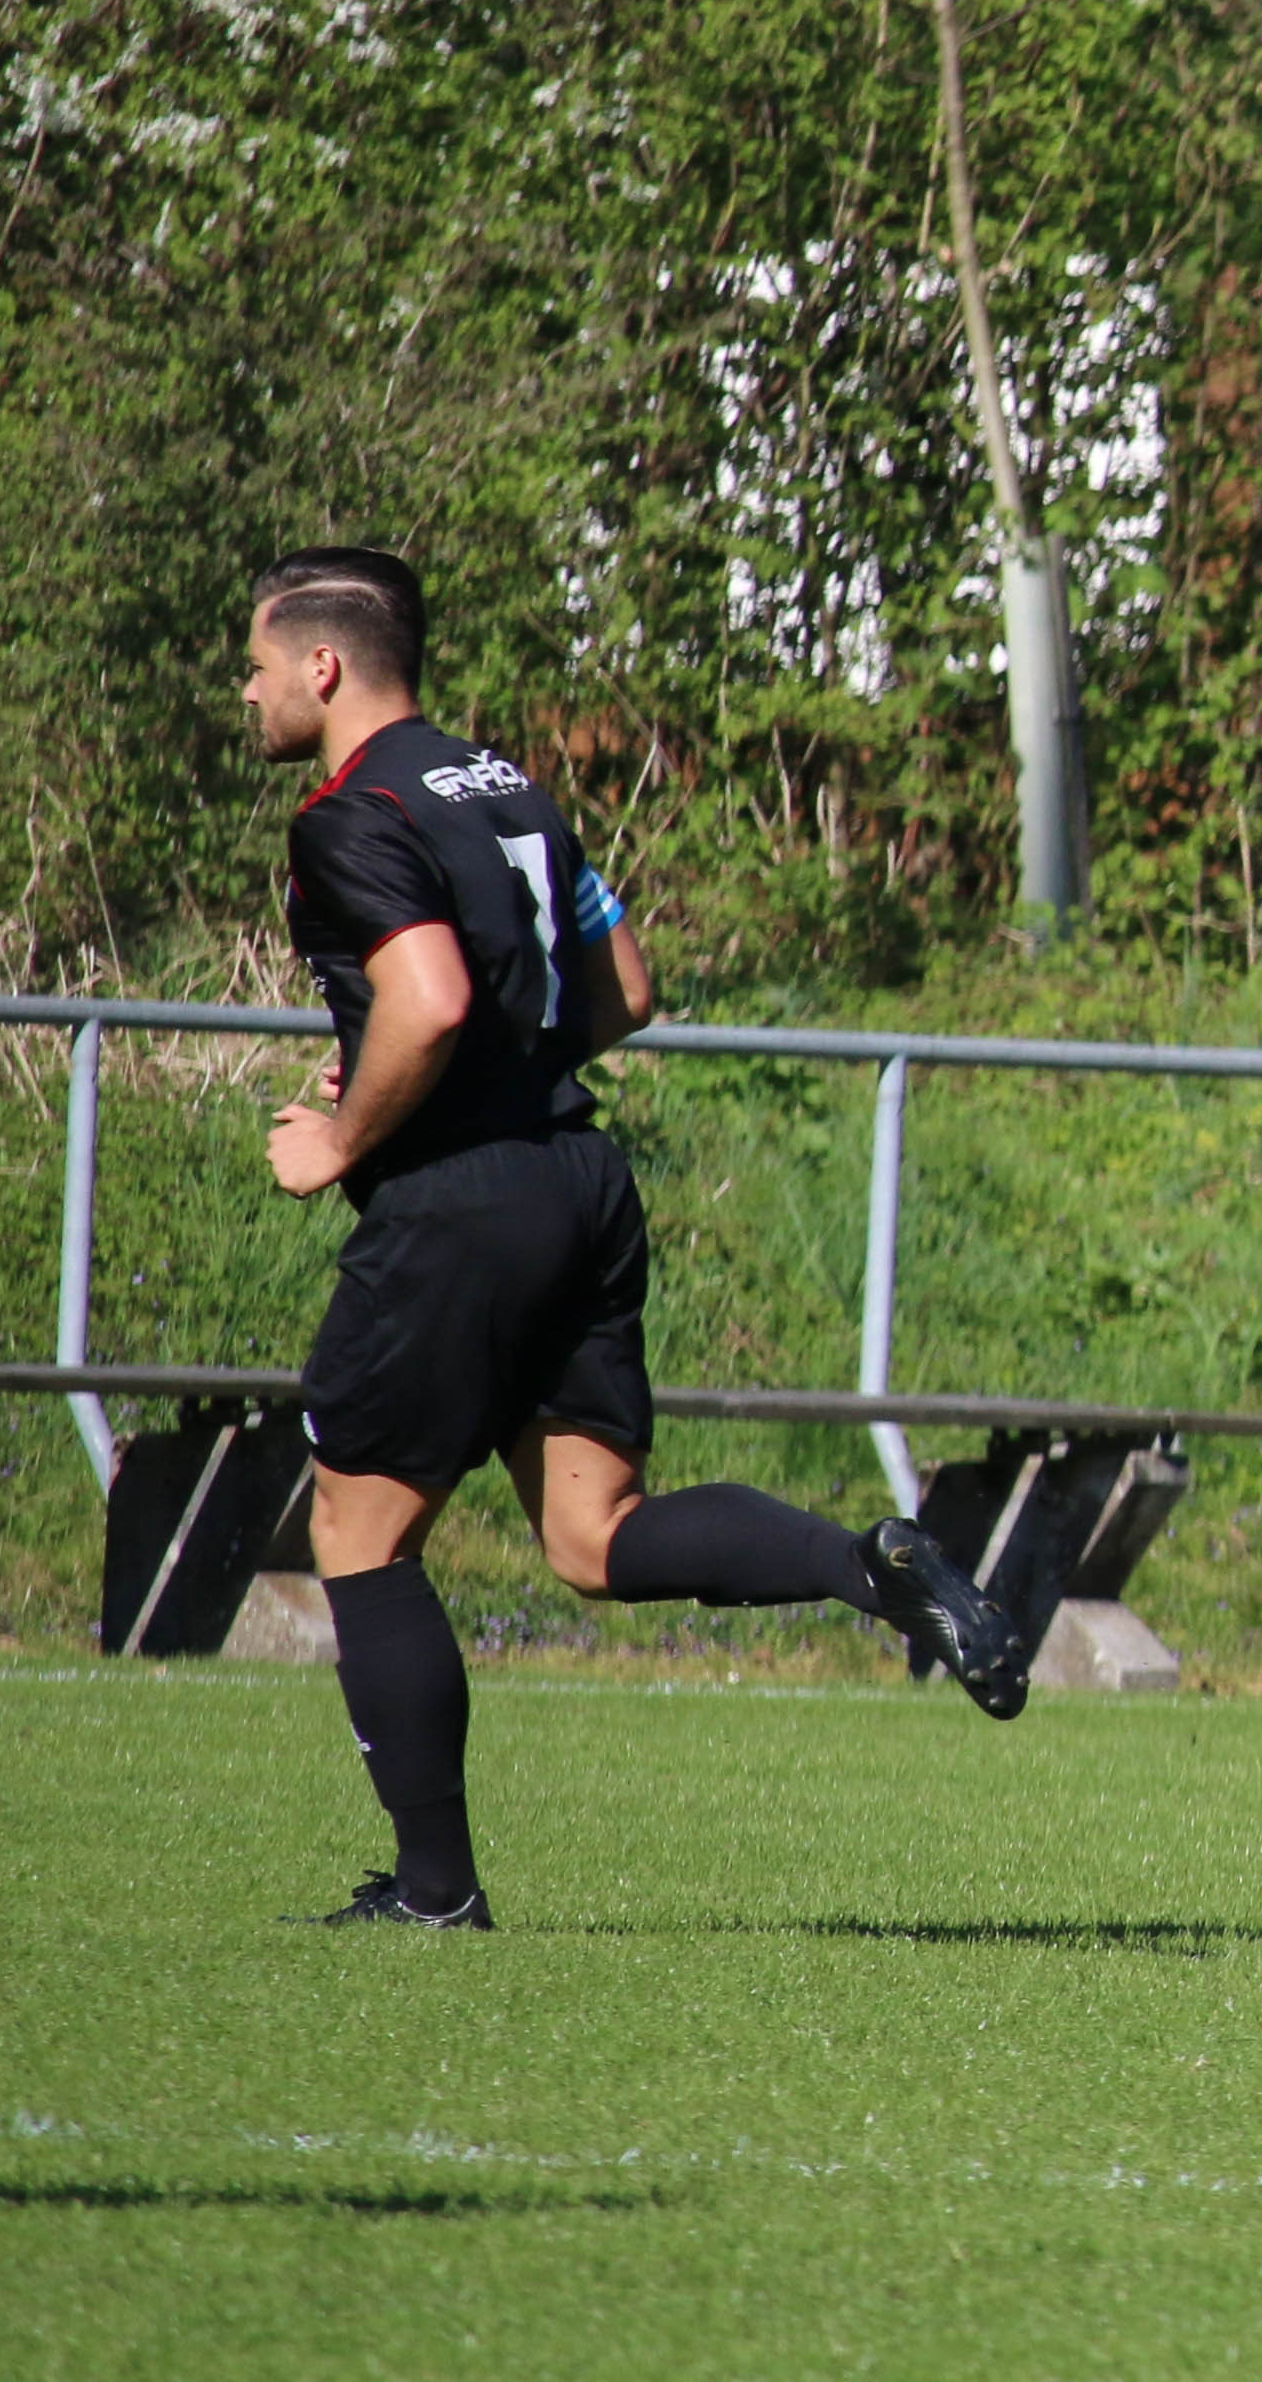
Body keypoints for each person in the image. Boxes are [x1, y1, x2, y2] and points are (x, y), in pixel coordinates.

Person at [240, 548, 1021, 1932]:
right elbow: (627, 990)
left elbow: (420, 999)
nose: (245, 691)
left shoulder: (344, 815)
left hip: (457, 1207)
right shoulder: (507, 786)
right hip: (580, 1179)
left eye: (253, 665)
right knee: (595, 1539)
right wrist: (453, 1083)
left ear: (322, 666)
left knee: (361, 1536)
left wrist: (345, 1136)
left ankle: (434, 1893)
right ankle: (869, 1567)